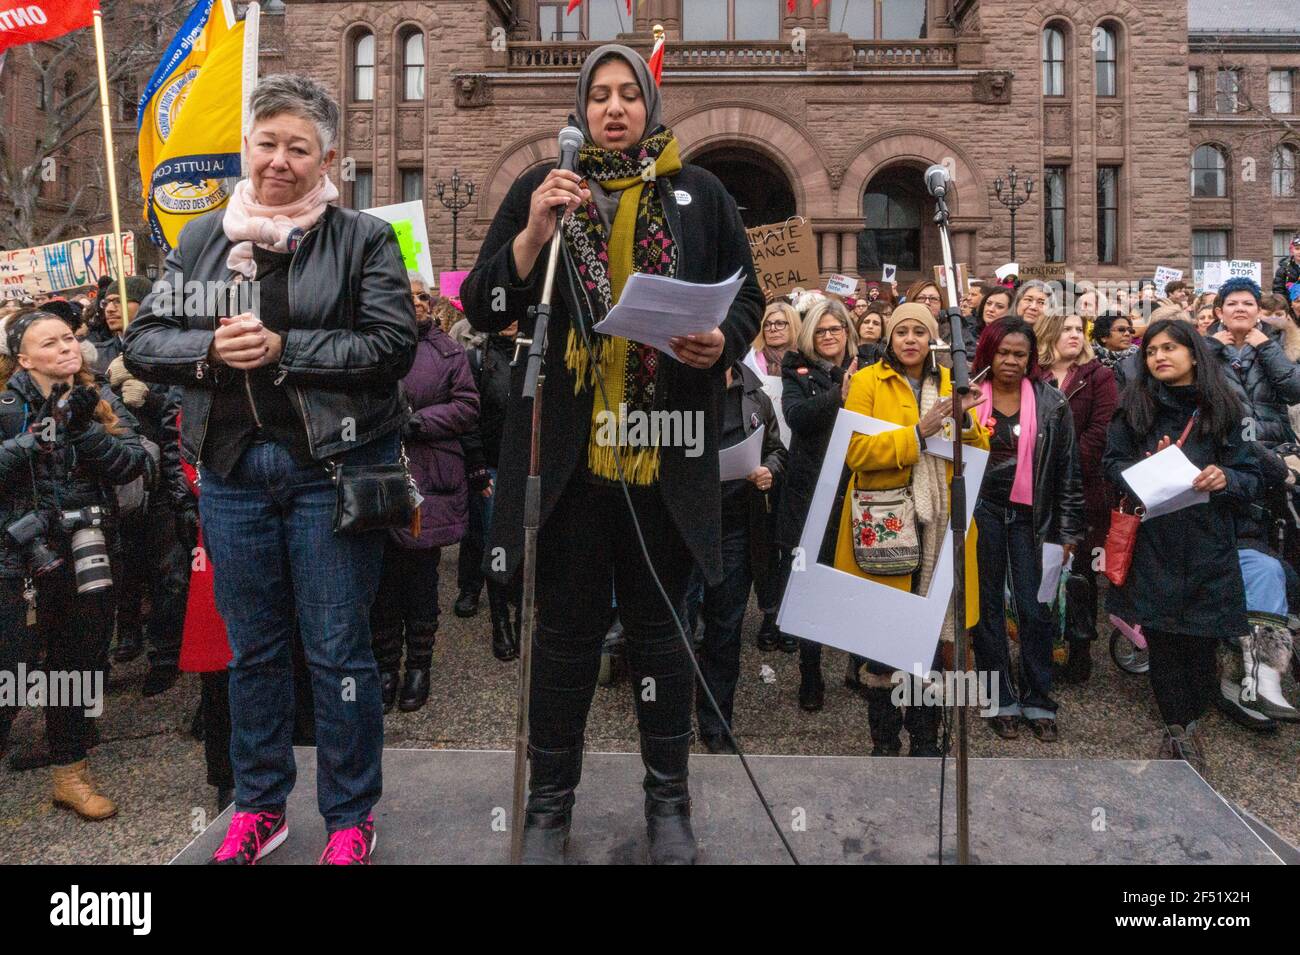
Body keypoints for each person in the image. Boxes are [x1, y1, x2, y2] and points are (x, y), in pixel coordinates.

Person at [460, 44, 763, 865]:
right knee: (563, 641)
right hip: (571, 464)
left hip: (667, 458)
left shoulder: (699, 195)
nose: (615, 107)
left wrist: (720, 342)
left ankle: (669, 802)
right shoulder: (544, 190)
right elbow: (485, 306)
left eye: (630, 94)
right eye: (600, 95)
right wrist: (530, 237)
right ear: (581, 108)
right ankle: (550, 805)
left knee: (665, 638)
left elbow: (750, 297)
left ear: (652, 106)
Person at [124, 74, 418, 865]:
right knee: (252, 651)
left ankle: (351, 813)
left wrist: (291, 351)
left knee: (337, 650)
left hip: (328, 473)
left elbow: (393, 349)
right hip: (229, 476)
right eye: (267, 143)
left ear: (327, 158)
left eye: (298, 147)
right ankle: (260, 805)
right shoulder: (203, 241)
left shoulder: (363, 240)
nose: (279, 160)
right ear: (246, 149)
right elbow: (143, 340)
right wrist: (209, 350)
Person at [0, 308, 156, 820]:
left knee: (80, 661)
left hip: (87, 549)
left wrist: (82, 425)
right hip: (15, 557)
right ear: (23, 358)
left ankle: (71, 773)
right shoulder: (4, 403)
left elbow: (133, 463)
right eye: (50, 343)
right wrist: (40, 434)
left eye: (69, 338)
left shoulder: (101, 396)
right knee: (12, 666)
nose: (66, 348)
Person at [1103, 318, 1262, 771]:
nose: (1159, 357)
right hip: (1154, 541)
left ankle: (1191, 723)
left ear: (1193, 353)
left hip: (1209, 542)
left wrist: (1225, 477)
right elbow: (1110, 463)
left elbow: (1252, 477)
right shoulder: (1133, 408)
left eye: (1170, 347)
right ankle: (1178, 733)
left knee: (1201, 640)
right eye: (1151, 350)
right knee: (1164, 639)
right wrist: (1144, 471)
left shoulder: (1225, 409)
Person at [831, 303, 988, 755]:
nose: (911, 339)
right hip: (885, 522)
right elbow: (856, 452)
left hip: (942, 526)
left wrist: (962, 419)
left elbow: (976, 449)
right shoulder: (866, 381)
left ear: (934, 337)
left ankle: (924, 739)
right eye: (903, 332)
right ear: (891, 339)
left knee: (930, 640)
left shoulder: (951, 384)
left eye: (921, 331)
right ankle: (883, 741)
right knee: (883, 641)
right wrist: (918, 433)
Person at [970, 318, 1083, 742]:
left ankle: (1038, 698)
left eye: (1020, 354)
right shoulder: (965, 398)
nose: (1011, 362)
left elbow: (1068, 473)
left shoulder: (1052, 403)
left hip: (1034, 520)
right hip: (981, 516)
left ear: (1031, 358)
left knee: (1036, 609)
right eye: (1004, 353)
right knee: (987, 613)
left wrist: (1068, 532)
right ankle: (999, 698)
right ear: (989, 353)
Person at [371, 274, 478, 713]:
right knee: (381, 584)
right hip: (379, 477)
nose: (416, 301)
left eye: (422, 295)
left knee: (420, 581)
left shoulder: (449, 351)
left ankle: (419, 666)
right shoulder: (373, 343)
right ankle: (384, 668)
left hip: (428, 478)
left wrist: (417, 422)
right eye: (406, 295)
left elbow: (467, 406)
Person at [695, 360, 786, 752]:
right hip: (686, 528)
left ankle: (717, 725)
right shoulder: (683, 386)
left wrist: (769, 469)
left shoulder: (756, 396)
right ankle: (667, 720)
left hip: (736, 529)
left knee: (724, 630)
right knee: (678, 625)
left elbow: (777, 450)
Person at [778, 298, 859, 709]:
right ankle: (811, 675)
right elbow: (797, 418)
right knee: (809, 583)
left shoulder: (870, 369)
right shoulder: (795, 369)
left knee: (857, 582)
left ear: (848, 333)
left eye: (836, 329)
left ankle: (858, 664)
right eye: (822, 330)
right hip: (812, 492)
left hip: (858, 489)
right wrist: (838, 396)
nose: (829, 336)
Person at [1035, 312, 1119, 683]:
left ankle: (1080, 652)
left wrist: (1061, 464)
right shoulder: (1032, 376)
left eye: (1077, 329)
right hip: (1035, 490)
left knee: (1080, 575)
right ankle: (1040, 649)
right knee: (1040, 572)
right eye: (1066, 328)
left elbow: (1103, 429)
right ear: (1049, 334)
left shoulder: (1098, 376)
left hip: (1084, 489)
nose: (1074, 334)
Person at [462, 320, 522, 661]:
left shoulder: (538, 355)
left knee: (531, 548)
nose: (511, 321)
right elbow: (469, 417)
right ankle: (501, 624)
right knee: (495, 545)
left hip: (532, 470)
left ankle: (523, 619)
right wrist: (478, 468)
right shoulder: (478, 359)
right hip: (494, 467)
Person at [1090, 311, 1138, 391]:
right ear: (1103, 336)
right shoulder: (1088, 360)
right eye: (1121, 329)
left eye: (1130, 330)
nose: (1127, 334)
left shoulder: (1140, 358)